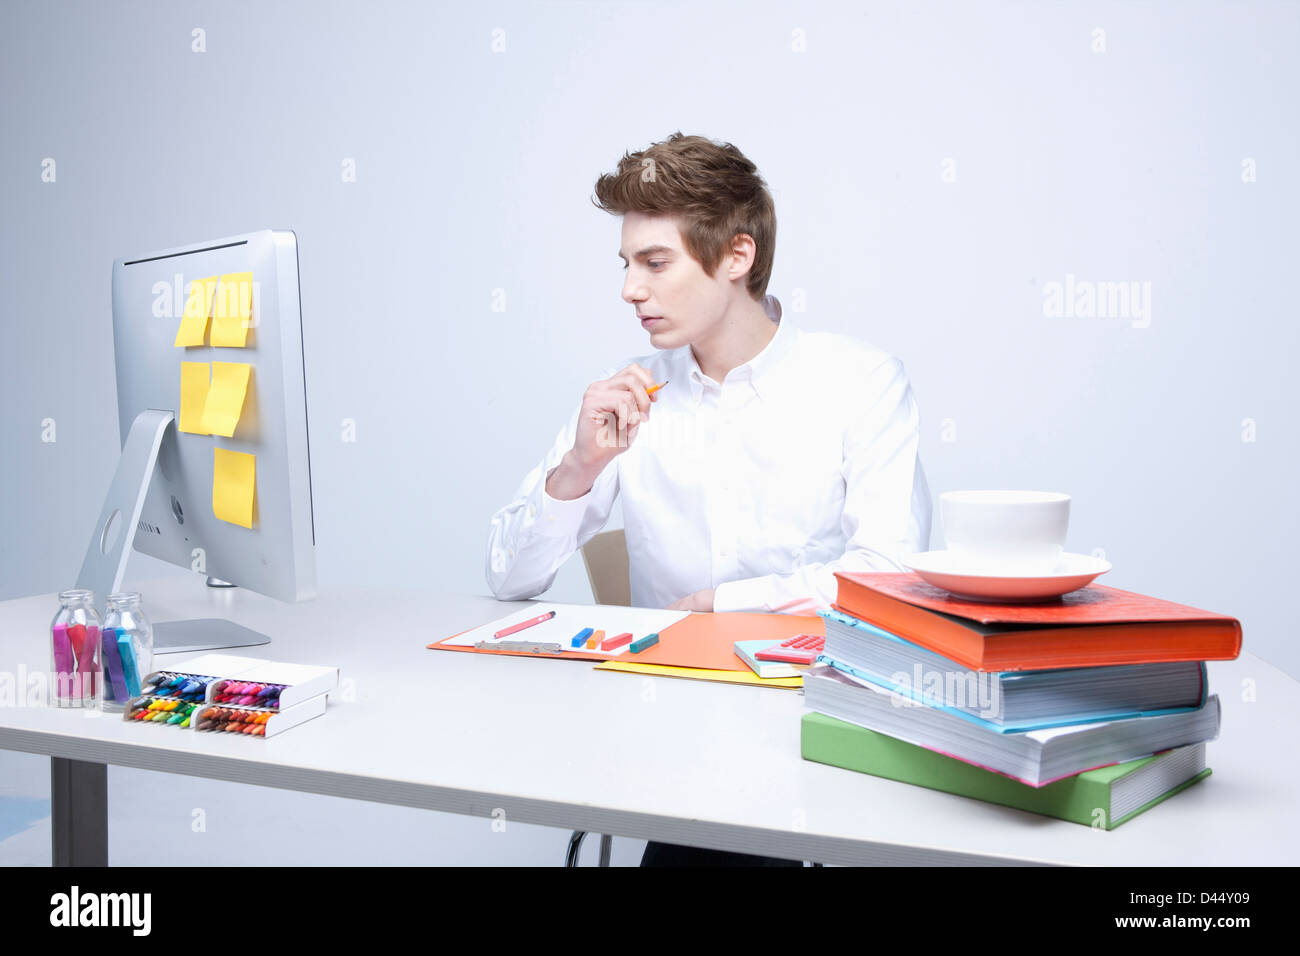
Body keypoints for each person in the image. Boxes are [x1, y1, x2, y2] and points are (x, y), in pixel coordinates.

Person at [485, 132, 932, 864]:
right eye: (627, 264)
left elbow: (890, 575)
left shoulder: (861, 382)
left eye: (655, 263)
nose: (631, 289)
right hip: (678, 749)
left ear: (736, 257)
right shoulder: (628, 392)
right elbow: (507, 579)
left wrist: (720, 608)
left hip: (826, 738)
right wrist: (579, 467)